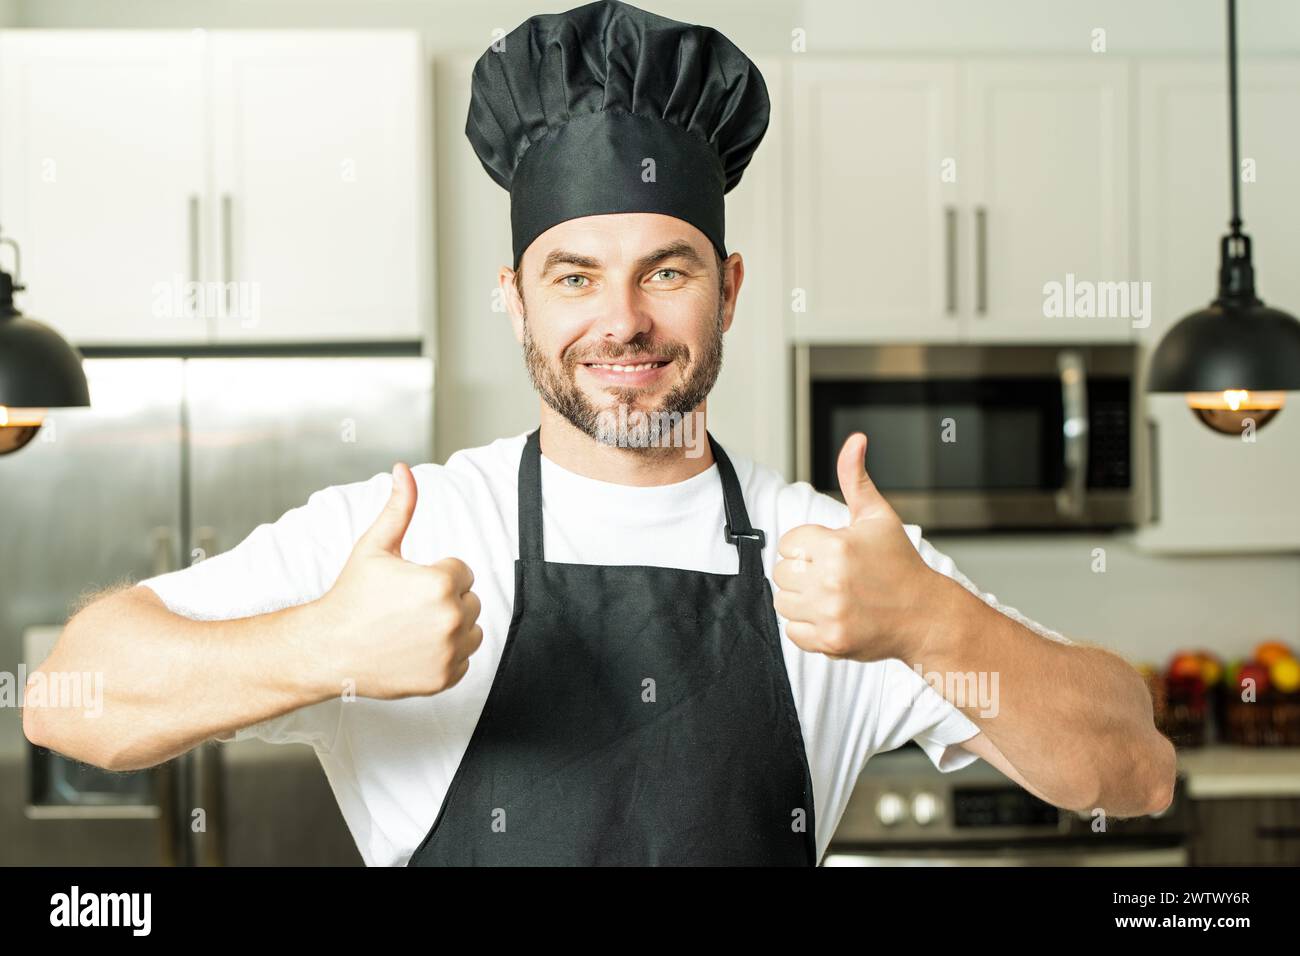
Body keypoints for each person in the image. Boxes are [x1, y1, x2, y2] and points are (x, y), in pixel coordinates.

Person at [24, 0, 1175, 866]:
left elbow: (1133, 770)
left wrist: (932, 618)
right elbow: (68, 698)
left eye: (663, 271)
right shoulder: (415, 539)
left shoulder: (837, 560)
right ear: (516, 298)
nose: (620, 320)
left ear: (725, 287)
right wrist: (320, 648)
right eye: (573, 275)